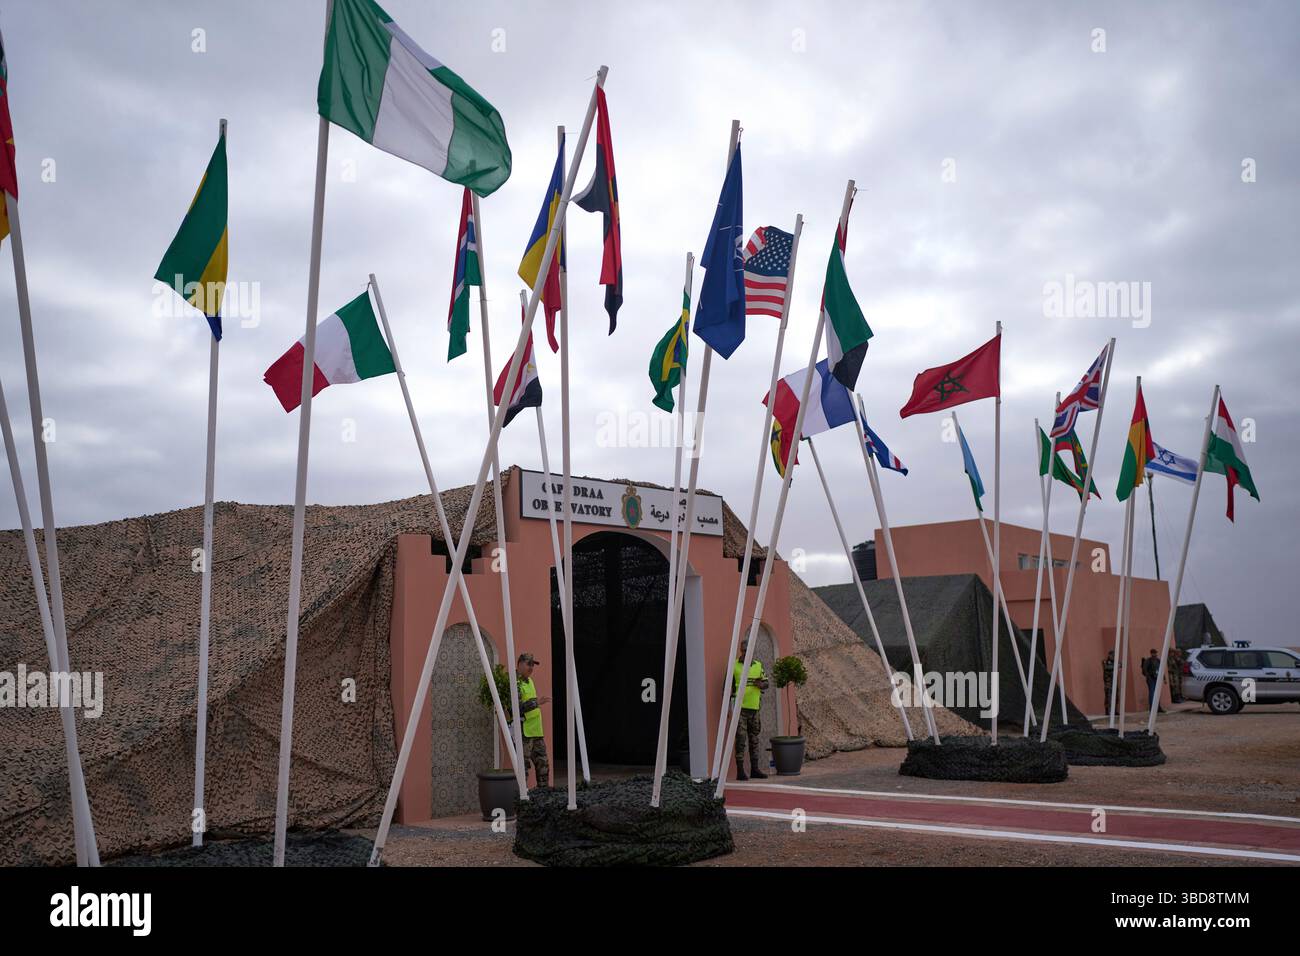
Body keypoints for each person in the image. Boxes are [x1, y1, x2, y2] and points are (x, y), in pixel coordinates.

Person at [732, 639, 769, 781]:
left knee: (754, 739)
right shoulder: (734, 666)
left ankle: (755, 769)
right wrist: (730, 709)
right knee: (741, 739)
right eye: (744, 650)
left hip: (754, 709)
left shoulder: (758, 665)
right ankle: (740, 771)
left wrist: (761, 684)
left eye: (749, 651)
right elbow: (728, 688)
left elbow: (766, 683)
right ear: (741, 651)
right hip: (740, 709)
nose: (747, 653)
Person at [516, 653, 550, 789]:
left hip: (536, 731)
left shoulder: (530, 681)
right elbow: (516, 708)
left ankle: (543, 794)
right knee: (523, 768)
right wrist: (536, 702)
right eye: (528, 664)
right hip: (525, 733)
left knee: (543, 765)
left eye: (532, 665)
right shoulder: (514, 682)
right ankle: (523, 798)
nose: (531, 668)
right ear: (519, 664)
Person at [1140, 648, 1165, 713]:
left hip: (1157, 678)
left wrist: (1164, 678)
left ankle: (1158, 707)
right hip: (1151, 678)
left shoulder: (1158, 660)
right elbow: (1145, 670)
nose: (1155, 654)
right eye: (1154, 653)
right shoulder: (1148, 661)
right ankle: (1152, 709)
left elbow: (1161, 669)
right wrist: (1148, 677)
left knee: (1157, 693)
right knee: (1152, 693)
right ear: (1151, 653)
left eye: (1155, 653)